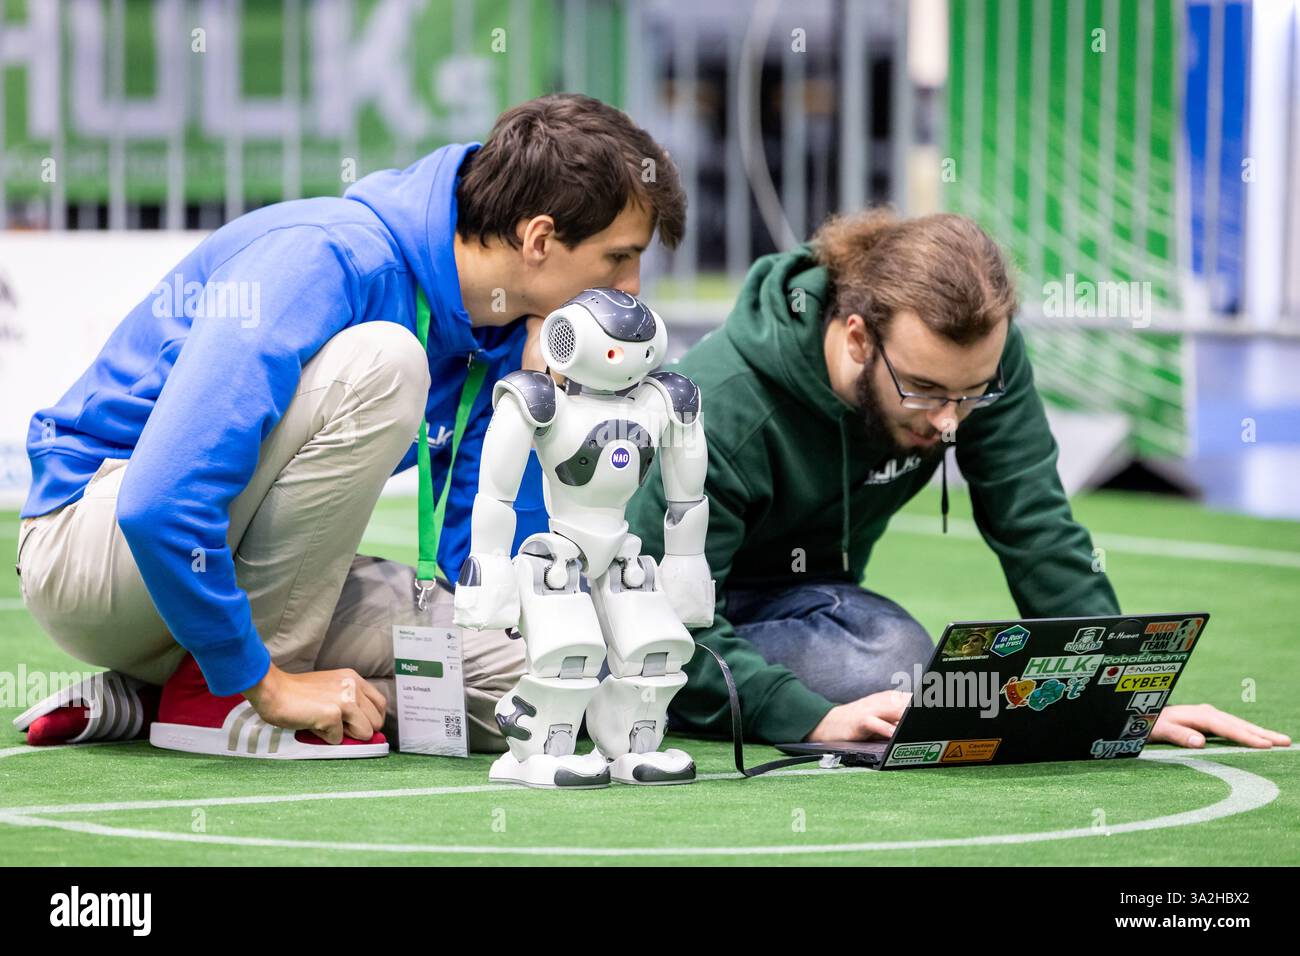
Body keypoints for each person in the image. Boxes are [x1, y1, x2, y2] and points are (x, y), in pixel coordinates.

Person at [13, 93, 686, 758]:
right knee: (388, 360)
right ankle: (236, 695)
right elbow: (158, 505)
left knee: (552, 673)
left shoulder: (511, 335)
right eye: (618, 257)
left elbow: (490, 582)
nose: (630, 286)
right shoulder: (325, 254)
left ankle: (166, 698)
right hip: (95, 551)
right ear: (540, 238)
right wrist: (262, 681)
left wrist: (544, 400)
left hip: (228, 580)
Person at [625, 210, 1291, 752]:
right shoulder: (723, 405)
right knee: (883, 667)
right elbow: (652, 607)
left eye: (971, 394)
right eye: (924, 390)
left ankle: (688, 689)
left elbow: (1035, 522)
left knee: (901, 661)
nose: (949, 421)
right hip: (646, 603)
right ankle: (647, 689)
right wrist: (804, 715)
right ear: (858, 339)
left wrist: (1116, 692)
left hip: (805, 604)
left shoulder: (975, 367)